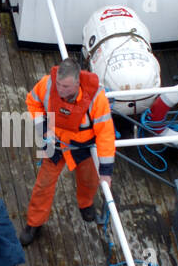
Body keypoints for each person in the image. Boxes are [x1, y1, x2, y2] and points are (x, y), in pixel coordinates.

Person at [21, 57, 115, 245]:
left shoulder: (97, 99)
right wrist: (43, 129)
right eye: (59, 85)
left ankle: (86, 204)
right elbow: (33, 102)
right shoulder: (47, 85)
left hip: (84, 148)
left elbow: (105, 134)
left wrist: (105, 172)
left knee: (89, 181)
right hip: (54, 144)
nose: (60, 91)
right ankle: (34, 223)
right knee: (43, 186)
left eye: (66, 87)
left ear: (78, 83)